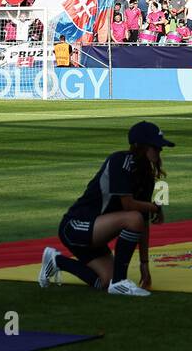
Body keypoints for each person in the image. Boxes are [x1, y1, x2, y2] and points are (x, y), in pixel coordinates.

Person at [38, 121, 170, 296]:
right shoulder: (120, 160)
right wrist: (154, 207)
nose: (159, 150)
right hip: (76, 226)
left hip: (94, 232)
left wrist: (144, 264)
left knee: (104, 281)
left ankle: (56, 261)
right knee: (132, 218)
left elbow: (143, 222)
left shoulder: (146, 176)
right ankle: (120, 282)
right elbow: (129, 205)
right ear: (140, 146)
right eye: (155, 146)